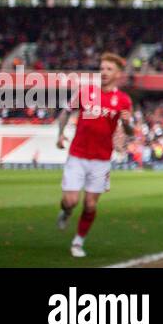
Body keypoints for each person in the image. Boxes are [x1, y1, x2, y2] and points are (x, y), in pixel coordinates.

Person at [54, 53, 134, 259]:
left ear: (118, 74)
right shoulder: (86, 92)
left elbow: (130, 131)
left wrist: (126, 123)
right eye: (102, 68)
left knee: (90, 204)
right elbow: (66, 112)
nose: (104, 72)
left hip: (101, 160)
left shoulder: (124, 100)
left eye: (109, 69)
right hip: (78, 155)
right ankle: (66, 211)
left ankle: (78, 242)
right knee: (70, 201)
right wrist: (60, 134)